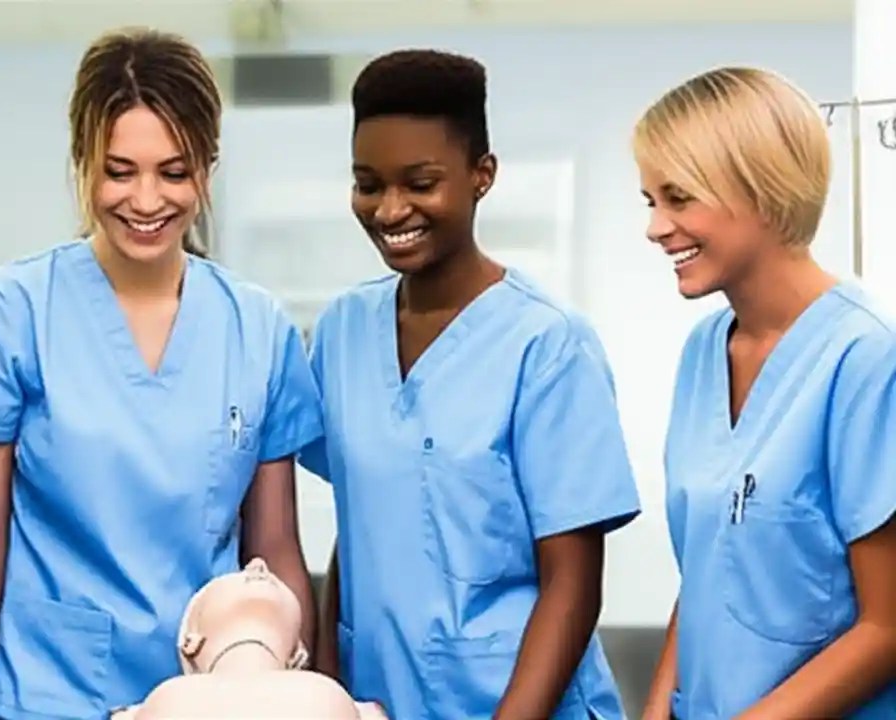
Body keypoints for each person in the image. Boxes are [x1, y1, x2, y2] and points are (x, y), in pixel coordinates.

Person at [0, 27, 322, 720]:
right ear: (81, 162)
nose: (145, 200)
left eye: (174, 170)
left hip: (211, 702)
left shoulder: (257, 328)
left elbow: (276, 553)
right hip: (49, 697)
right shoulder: (14, 313)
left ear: (208, 167)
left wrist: (287, 698)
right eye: (119, 170)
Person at [300, 49, 642, 720]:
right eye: (368, 183)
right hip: (379, 702)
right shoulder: (342, 331)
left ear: (482, 175)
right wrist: (327, 692)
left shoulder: (546, 346)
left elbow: (572, 586)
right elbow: (363, 522)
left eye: (421, 182)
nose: (390, 208)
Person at [635, 67, 896, 720]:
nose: (656, 227)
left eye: (678, 197)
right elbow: (707, 575)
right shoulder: (704, 351)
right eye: (650, 200)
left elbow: (887, 628)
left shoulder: (867, 358)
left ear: (763, 189)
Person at [110, 558, 388, 720]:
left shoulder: (344, 702)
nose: (258, 565)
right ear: (191, 642)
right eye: (236, 577)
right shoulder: (158, 703)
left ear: (298, 654)